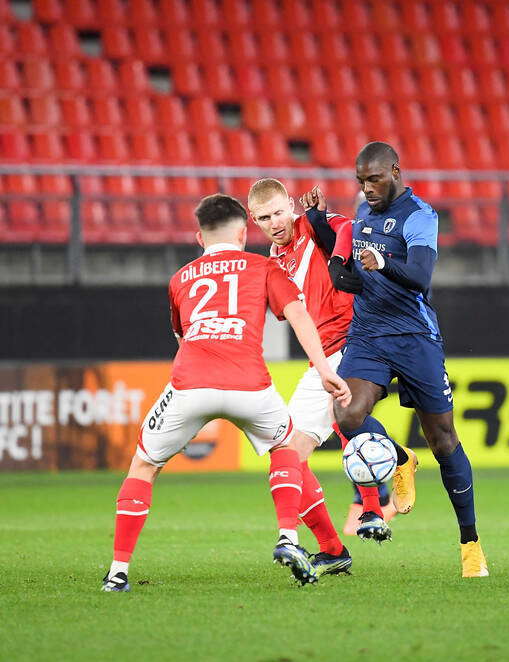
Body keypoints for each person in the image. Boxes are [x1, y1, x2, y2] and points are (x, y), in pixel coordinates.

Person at [101, 194, 351, 592]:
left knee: (144, 466)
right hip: (250, 383)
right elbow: (299, 314)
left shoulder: (180, 278)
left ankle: (117, 573)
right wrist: (324, 370)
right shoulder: (264, 265)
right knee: (287, 450)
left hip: (189, 384)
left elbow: (182, 336)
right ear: (243, 231)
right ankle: (289, 537)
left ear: (199, 237)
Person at [327, 141, 487, 577]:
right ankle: (400, 458)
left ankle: (470, 543)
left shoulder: (420, 215)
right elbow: (354, 273)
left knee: (444, 440)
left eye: (374, 179)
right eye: (360, 181)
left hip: (415, 337)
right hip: (368, 335)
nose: (367, 188)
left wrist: (382, 262)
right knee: (346, 413)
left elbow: (419, 276)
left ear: (394, 171)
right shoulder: (362, 214)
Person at [247, 178, 387, 568]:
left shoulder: (313, 225)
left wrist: (322, 219)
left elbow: (349, 231)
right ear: (253, 220)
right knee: (290, 456)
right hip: (319, 360)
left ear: (289, 204)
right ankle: (332, 549)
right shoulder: (273, 262)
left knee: (347, 420)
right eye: (264, 217)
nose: (275, 222)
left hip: (354, 340)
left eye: (279, 212)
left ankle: (373, 508)